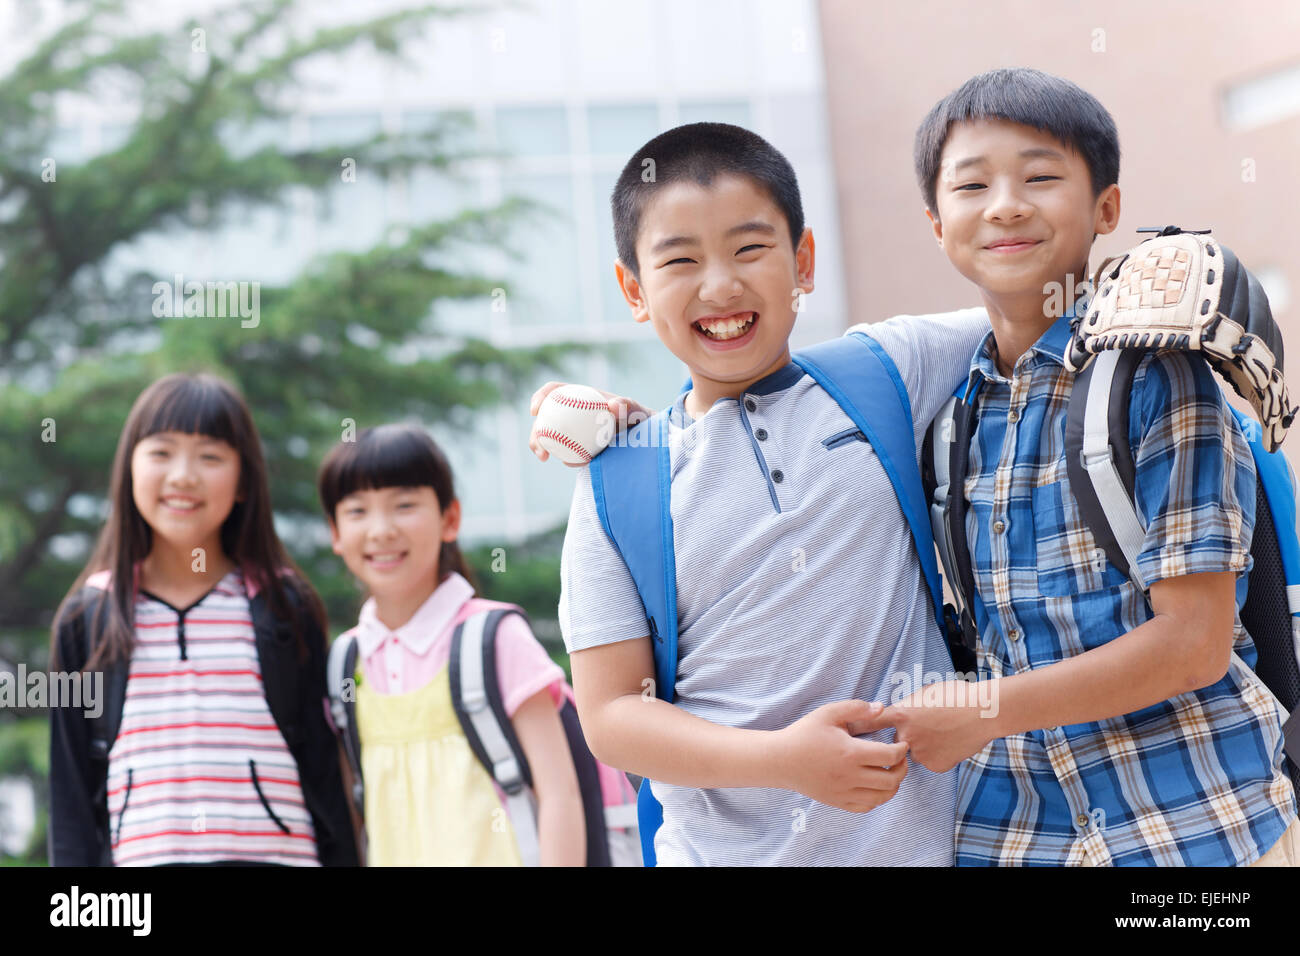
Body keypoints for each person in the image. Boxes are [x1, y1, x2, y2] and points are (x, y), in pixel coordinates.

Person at [876, 67, 1299, 866]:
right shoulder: (947, 420)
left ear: (1106, 206)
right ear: (936, 222)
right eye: (972, 185)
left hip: (1198, 831)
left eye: (1040, 176)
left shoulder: (1154, 376)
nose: (1005, 204)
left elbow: (1195, 643)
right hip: (1014, 835)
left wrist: (986, 710)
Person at [546, 121, 990, 865]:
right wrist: (785, 760)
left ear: (803, 260)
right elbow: (612, 716)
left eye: (750, 249)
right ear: (634, 290)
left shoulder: (889, 370)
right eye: (680, 259)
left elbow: (1037, 312)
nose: (720, 285)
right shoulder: (618, 481)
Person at [48, 373, 357, 866]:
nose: (184, 476)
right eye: (161, 452)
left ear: (242, 483)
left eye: (210, 456)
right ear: (129, 469)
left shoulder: (283, 605)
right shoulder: (88, 616)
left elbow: (324, 771)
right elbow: (70, 796)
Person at [318, 423, 593, 865]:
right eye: (357, 511)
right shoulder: (345, 661)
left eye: (404, 505)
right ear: (334, 532)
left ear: (450, 519)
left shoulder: (493, 636)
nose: (381, 529)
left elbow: (561, 796)